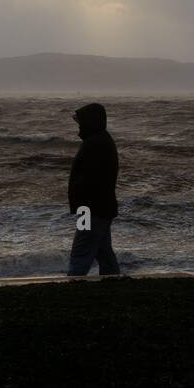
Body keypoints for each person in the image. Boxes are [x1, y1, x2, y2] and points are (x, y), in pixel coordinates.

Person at [66, 102, 121, 277]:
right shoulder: (100, 140)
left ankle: (74, 281)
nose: (79, 126)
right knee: (103, 251)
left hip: (90, 209)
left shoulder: (95, 143)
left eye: (81, 122)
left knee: (81, 250)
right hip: (98, 208)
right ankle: (113, 280)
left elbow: (89, 180)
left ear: (90, 122)